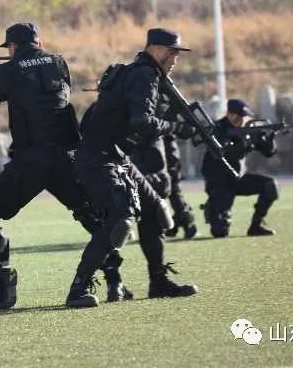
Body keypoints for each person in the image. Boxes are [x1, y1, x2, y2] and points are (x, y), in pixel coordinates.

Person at [0, 22, 122, 310]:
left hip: (31, 160)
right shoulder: (59, 62)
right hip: (67, 157)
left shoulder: (9, 70)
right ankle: (114, 279)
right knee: (91, 216)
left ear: (12, 47)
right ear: (38, 42)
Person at [65, 27, 199, 308]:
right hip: (98, 158)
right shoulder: (145, 75)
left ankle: (158, 281)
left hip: (115, 156)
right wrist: (179, 128)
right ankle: (78, 288)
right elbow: (143, 122)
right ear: (157, 49)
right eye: (172, 52)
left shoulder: (135, 72)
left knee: (155, 210)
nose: (175, 58)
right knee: (119, 219)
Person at [201, 98, 279, 238]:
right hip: (220, 183)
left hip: (239, 178)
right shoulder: (218, 129)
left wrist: (270, 137)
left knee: (270, 185)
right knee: (220, 232)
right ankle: (213, 207)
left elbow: (268, 152)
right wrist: (246, 139)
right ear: (230, 115)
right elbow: (225, 152)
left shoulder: (248, 129)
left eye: (245, 117)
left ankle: (256, 225)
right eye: (239, 118)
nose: (243, 121)